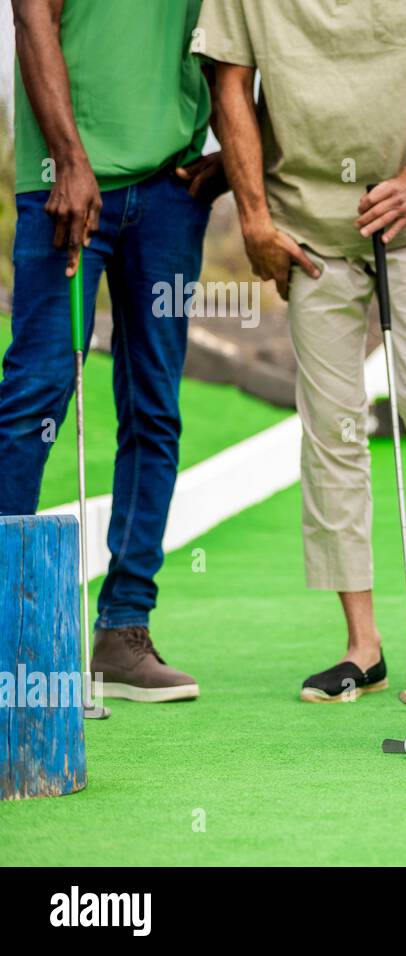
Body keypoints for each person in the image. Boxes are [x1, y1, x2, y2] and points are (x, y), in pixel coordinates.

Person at [198, 0, 406, 702]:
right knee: (332, 421)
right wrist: (253, 217)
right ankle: (362, 646)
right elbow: (230, 84)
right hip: (306, 224)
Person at [0, 0, 225, 701]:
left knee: (154, 408)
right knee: (37, 393)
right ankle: (9, 635)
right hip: (65, 182)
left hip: (172, 193)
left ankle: (123, 633)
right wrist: (69, 158)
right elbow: (32, 18)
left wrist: (243, 162)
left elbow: (248, 40)